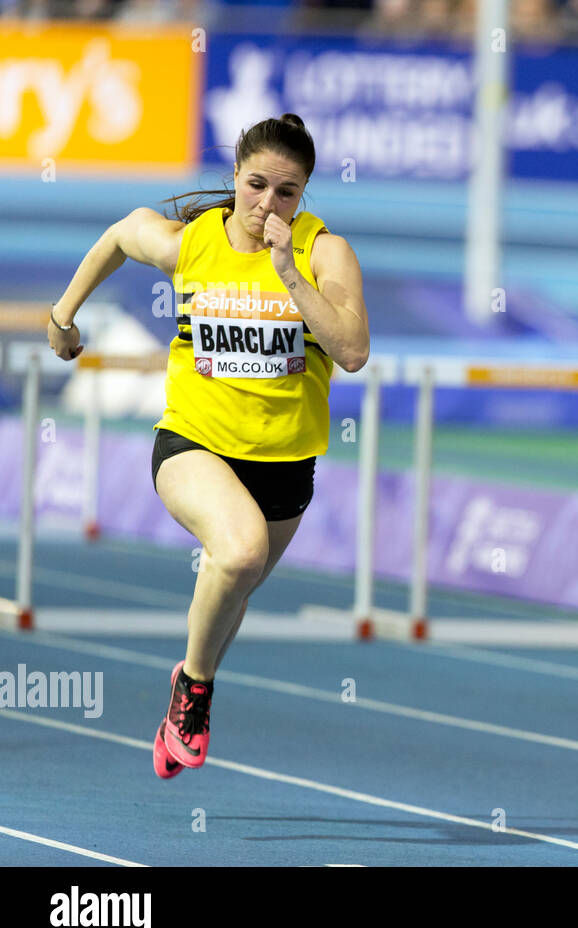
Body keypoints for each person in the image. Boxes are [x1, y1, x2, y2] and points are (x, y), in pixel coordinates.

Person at [46, 114, 369, 779]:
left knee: (236, 582)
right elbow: (121, 232)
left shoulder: (321, 252)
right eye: (256, 186)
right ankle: (194, 691)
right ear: (235, 178)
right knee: (242, 548)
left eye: (287, 192)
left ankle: (184, 703)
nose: (267, 206)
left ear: (303, 195)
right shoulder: (192, 243)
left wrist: (290, 275)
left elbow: (354, 351)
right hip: (192, 442)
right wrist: (62, 316)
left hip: (284, 464)